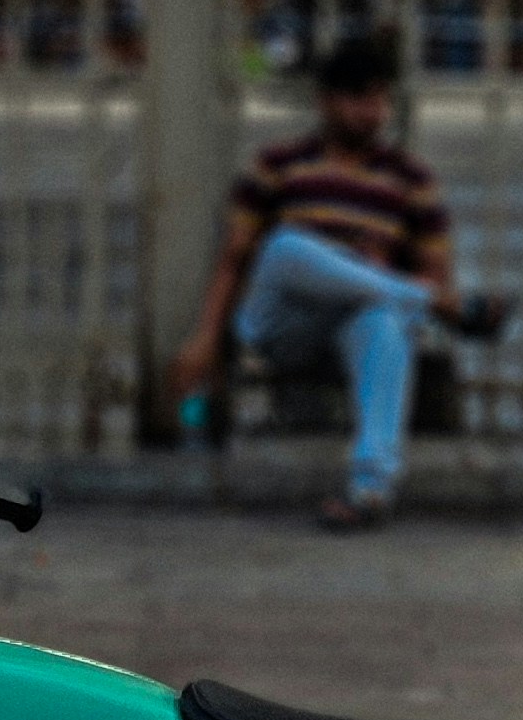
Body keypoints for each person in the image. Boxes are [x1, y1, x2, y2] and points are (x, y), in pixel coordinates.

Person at [169, 28, 506, 531]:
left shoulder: (411, 181)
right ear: (328, 102)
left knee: (387, 321)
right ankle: (425, 303)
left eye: (380, 99)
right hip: (281, 323)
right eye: (359, 99)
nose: (373, 112)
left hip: (358, 320)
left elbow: (439, 276)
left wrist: (377, 273)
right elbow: (234, 258)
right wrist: (204, 338)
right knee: (286, 247)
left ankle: (370, 488)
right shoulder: (279, 166)